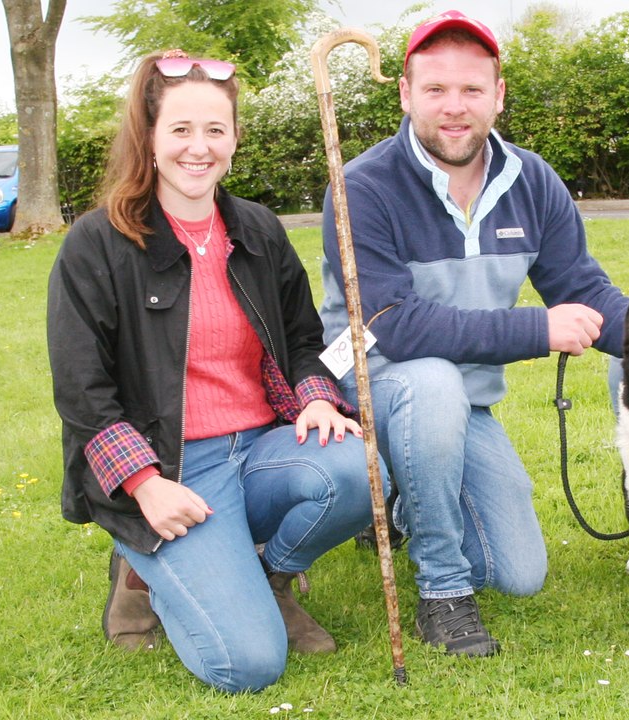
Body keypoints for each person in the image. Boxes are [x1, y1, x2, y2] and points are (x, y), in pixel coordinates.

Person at [319, 10, 629, 657]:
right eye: (435, 90)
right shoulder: (363, 186)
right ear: (405, 93)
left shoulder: (533, 180)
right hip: (373, 384)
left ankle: (404, 496)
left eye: (471, 90)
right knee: (430, 383)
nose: (454, 108)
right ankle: (443, 592)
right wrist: (536, 329)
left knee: (519, 573)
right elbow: (393, 325)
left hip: (464, 397)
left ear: (498, 95)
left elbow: (585, 291)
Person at [47, 50, 383, 693]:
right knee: (247, 665)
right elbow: (82, 390)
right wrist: (145, 487)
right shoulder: (97, 243)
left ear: (234, 137)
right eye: (179, 130)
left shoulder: (256, 228)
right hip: (173, 468)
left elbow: (302, 338)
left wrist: (316, 399)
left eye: (215, 130)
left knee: (357, 468)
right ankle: (140, 569)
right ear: (148, 138)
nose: (198, 148)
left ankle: (267, 576)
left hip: (260, 446)